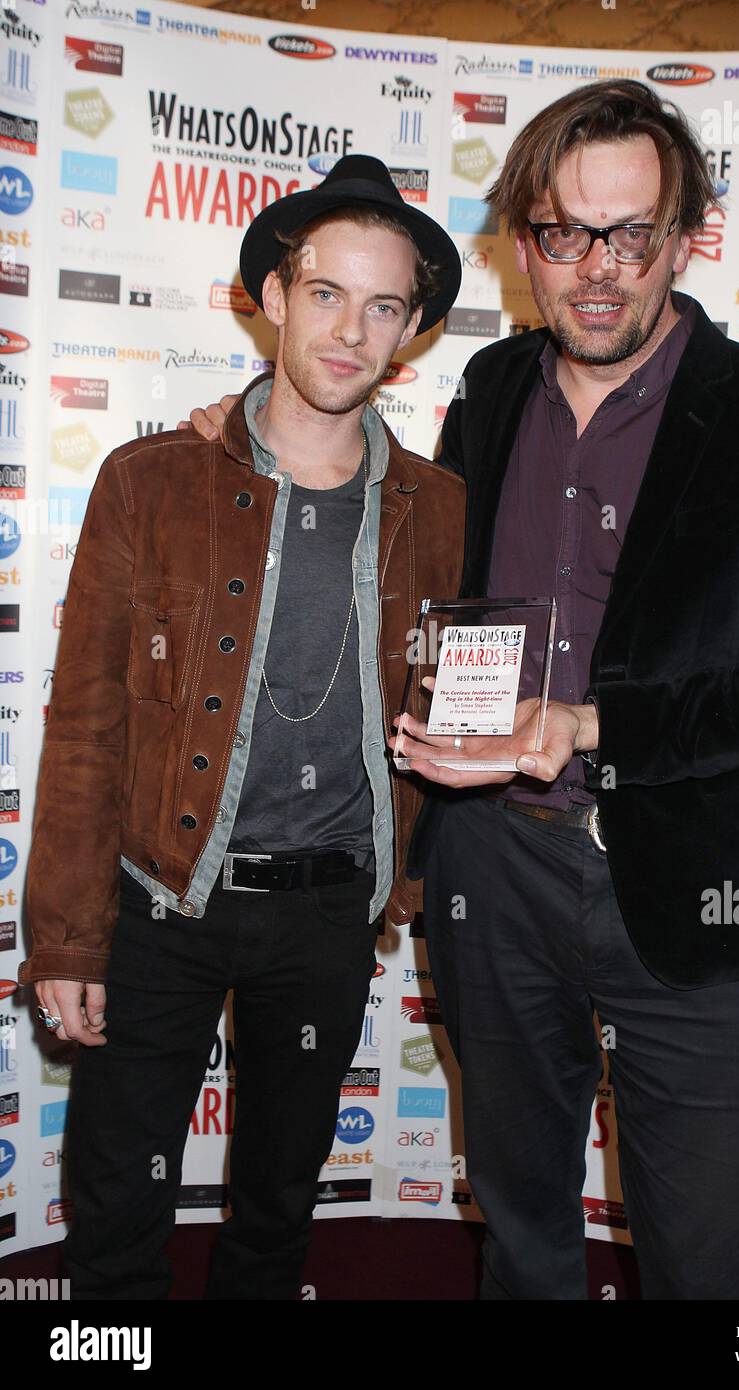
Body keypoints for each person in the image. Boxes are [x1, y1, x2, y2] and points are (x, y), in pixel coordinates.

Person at [189, 81, 739, 1301]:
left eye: (631, 234)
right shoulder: (490, 391)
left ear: (683, 235)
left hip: (695, 889)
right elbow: (401, 551)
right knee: (522, 1227)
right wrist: (239, 437)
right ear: (522, 247)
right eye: (563, 234)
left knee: (705, 1260)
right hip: (491, 869)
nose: (596, 269)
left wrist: (586, 725)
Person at [18, 155, 465, 1300]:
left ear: (410, 329)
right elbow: (85, 722)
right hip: (161, 895)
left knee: (278, 1198)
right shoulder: (150, 480)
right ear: (271, 293)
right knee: (119, 1199)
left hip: (328, 908)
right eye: (324, 293)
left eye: (382, 306)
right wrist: (65, 935)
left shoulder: (442, 506)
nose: (349, 330)